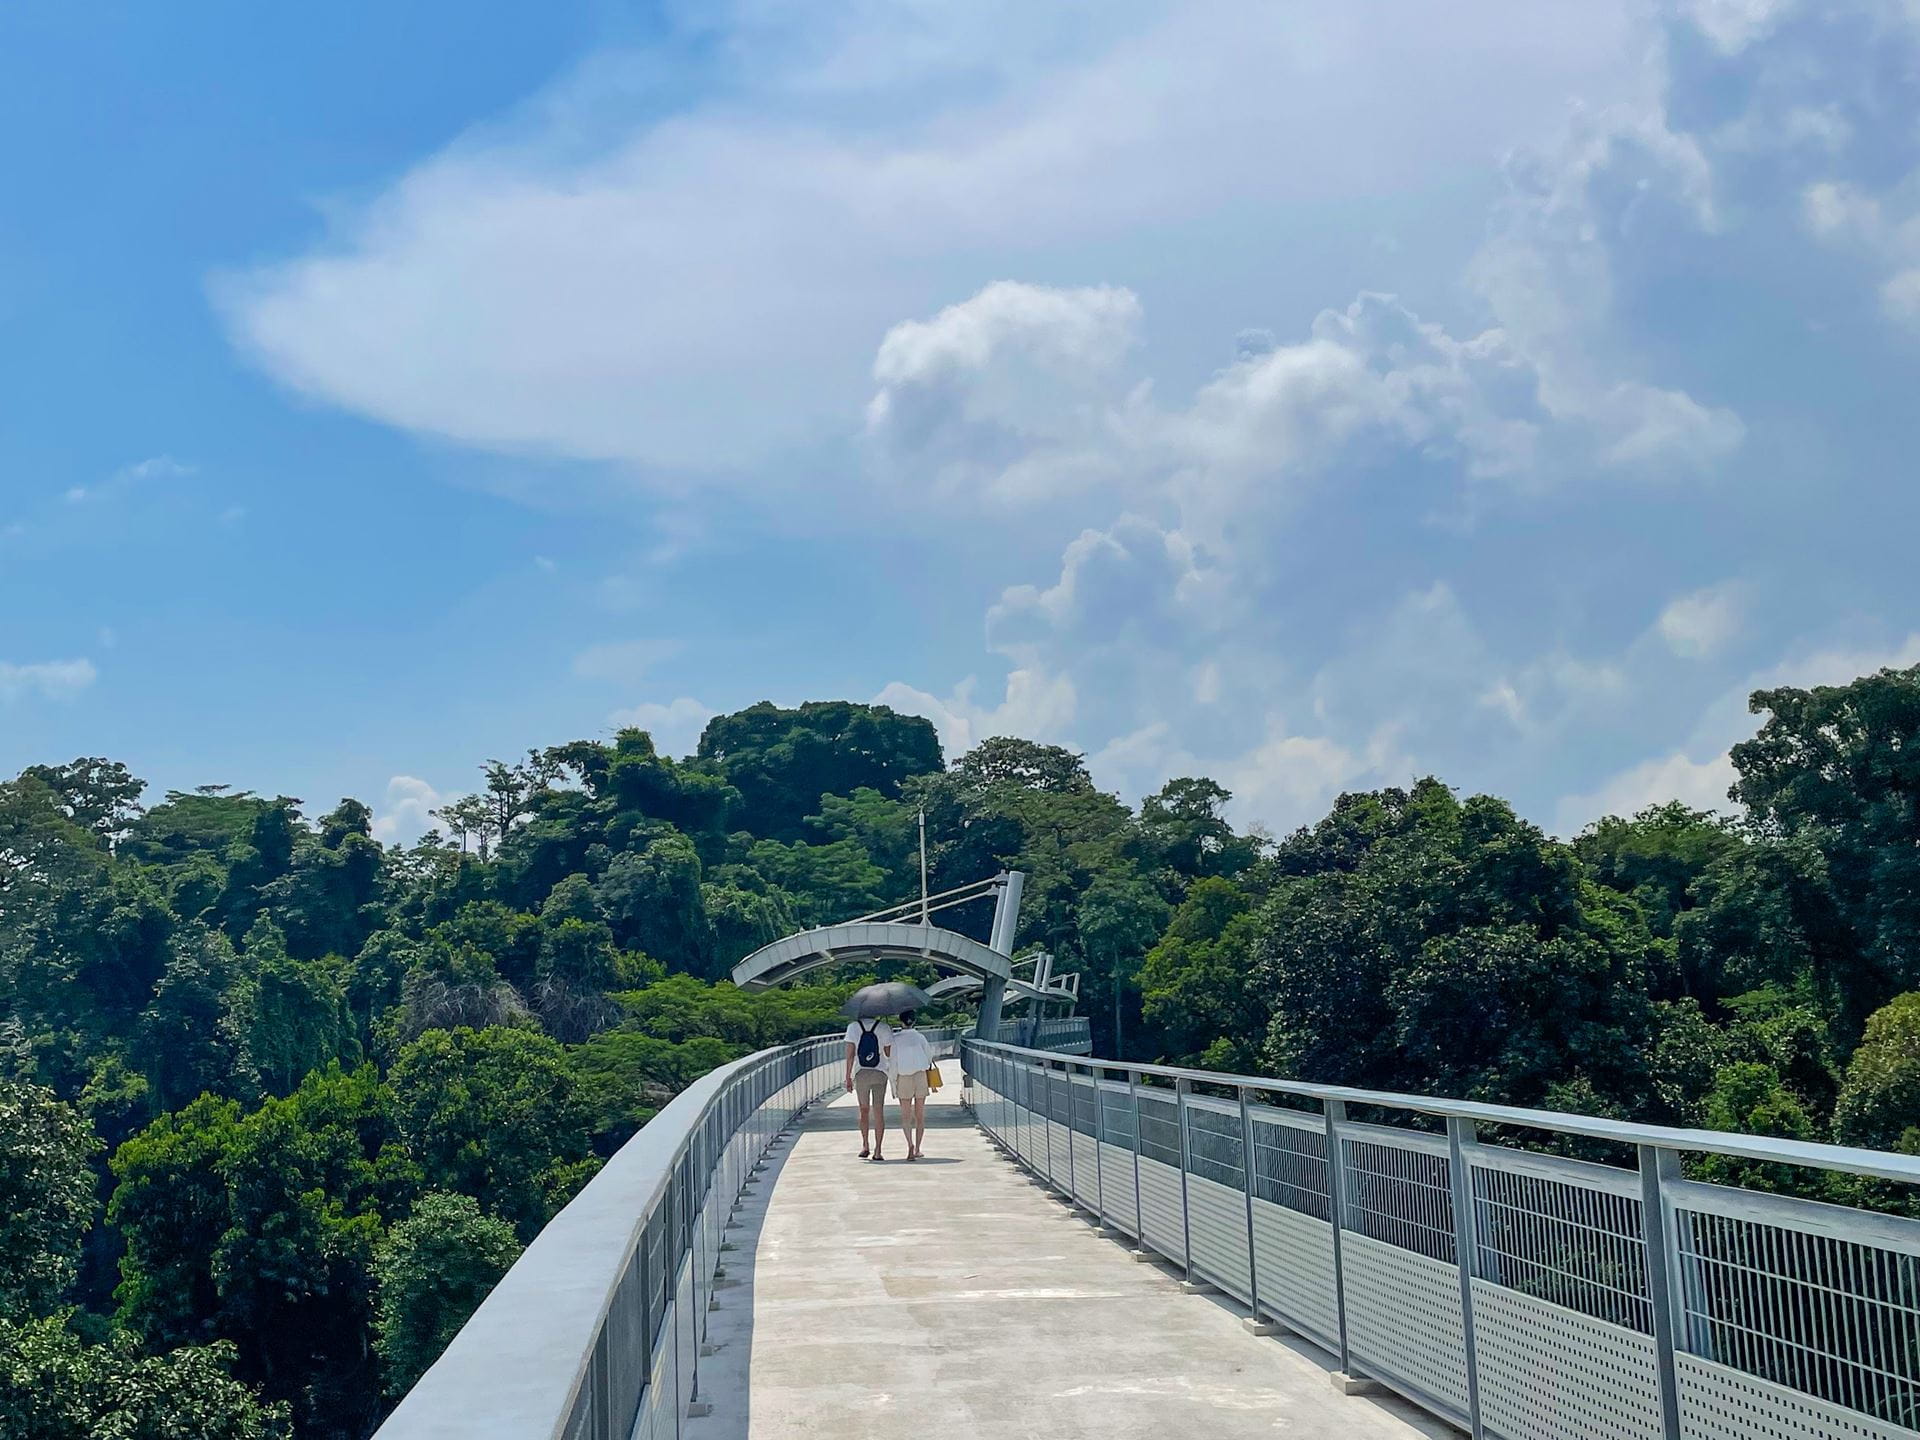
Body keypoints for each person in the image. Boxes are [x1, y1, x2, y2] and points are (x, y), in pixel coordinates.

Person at [889, 1010, 936, 1161]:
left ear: (900, 1022)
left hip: (903, 1076)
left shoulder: (895, 1039)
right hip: (920, 1075)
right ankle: (918, 1148)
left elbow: (893, 1063)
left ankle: (909, 1144)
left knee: (906, 1115)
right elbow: (929, 1057)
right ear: (914, 1021)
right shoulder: (920, 1037)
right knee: (920, 1115)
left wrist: (893, 1083)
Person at [844, 1013, 893, 1160]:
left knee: (863, 1109)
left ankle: (865, 1145)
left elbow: (850, 1054)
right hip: (880, 1072)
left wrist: (848, 1076)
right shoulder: (884, 1027)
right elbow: (888, 1053)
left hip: (861, 1073)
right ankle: (878, 1150)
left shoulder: (853, 1027)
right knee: (878, 1111)